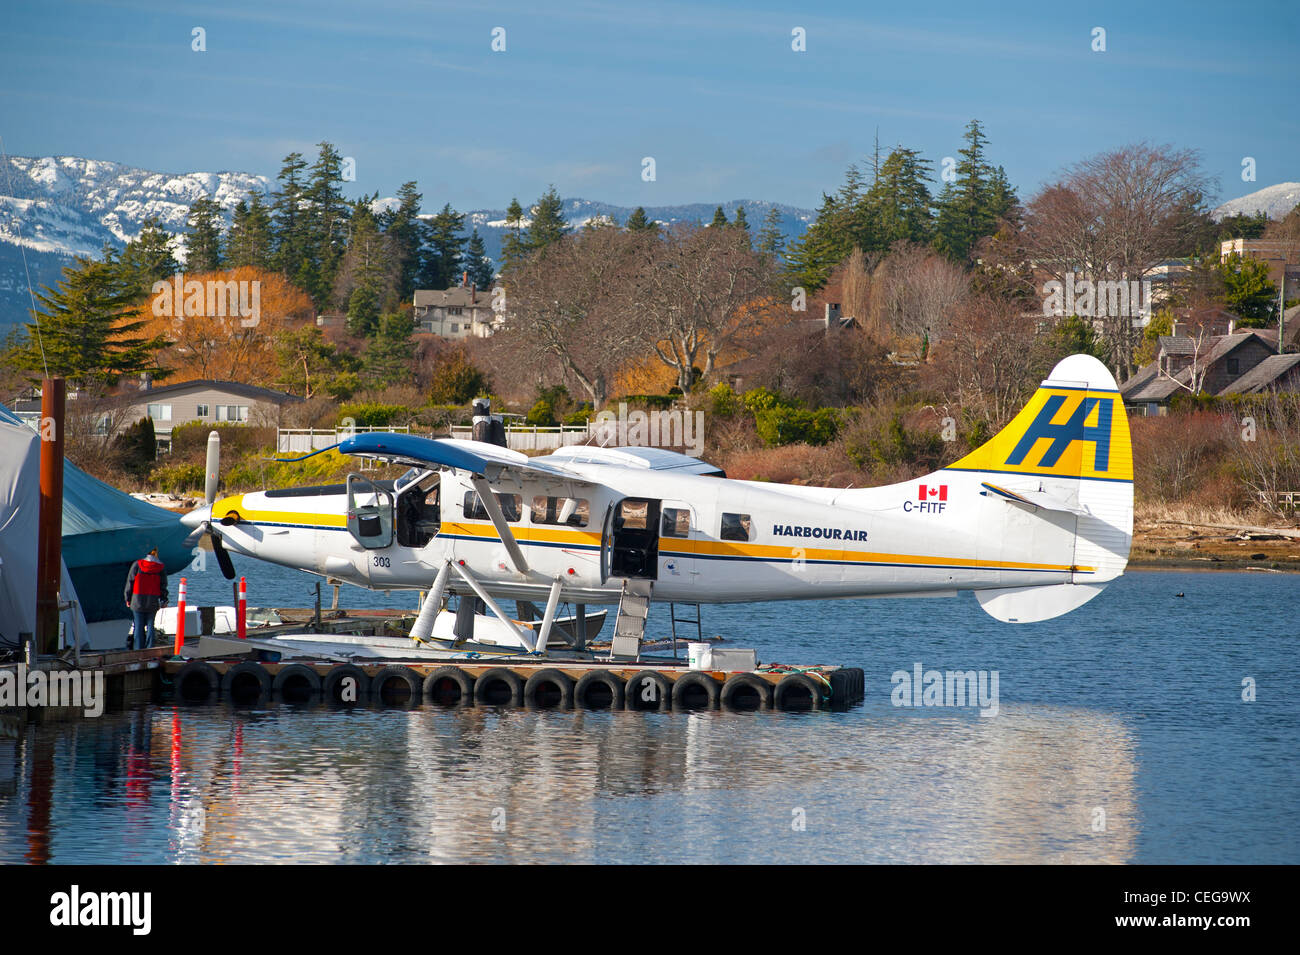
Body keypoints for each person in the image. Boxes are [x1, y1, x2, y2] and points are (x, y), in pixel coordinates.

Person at [124, 547, 168, 650]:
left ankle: (138, 649)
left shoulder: (137, 565)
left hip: (137, 600)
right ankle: (150, 648)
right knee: (150, 626)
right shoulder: (160, 567)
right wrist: (164, 599)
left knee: (138, 626)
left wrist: (127, 598)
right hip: (152, 601)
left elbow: (130, 582)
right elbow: (163, 586)